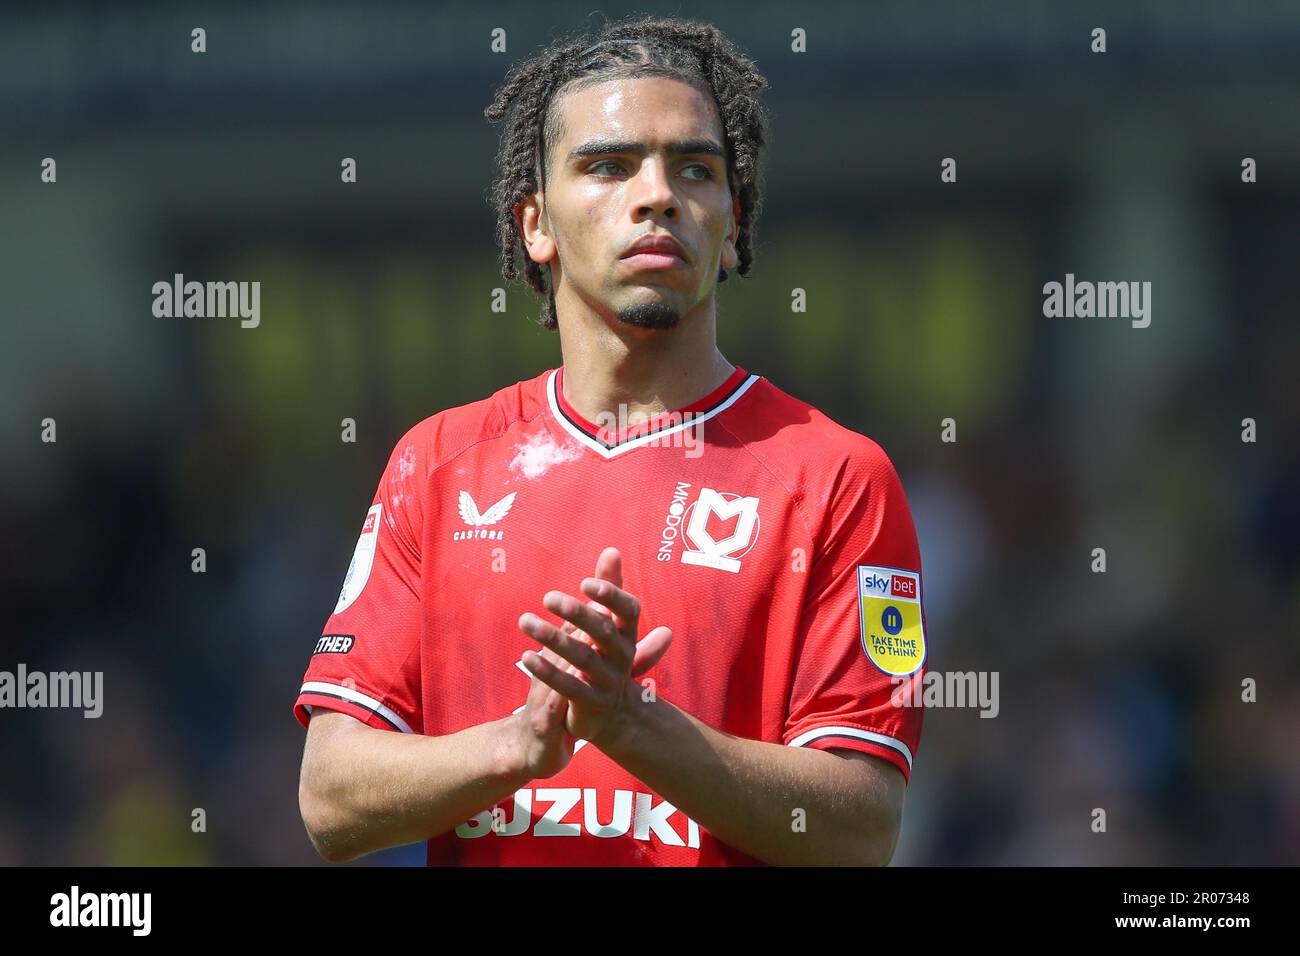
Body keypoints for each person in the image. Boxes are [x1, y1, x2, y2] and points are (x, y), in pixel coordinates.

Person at [294, 14, 928, 866]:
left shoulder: (838, 477)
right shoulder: (436, 463)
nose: (658, 193)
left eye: (694, 169)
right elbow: (330, 797)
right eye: (608, 165)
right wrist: (518, 745)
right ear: (535, 226)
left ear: (733, 228)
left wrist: (631, 725)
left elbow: (861, 826)